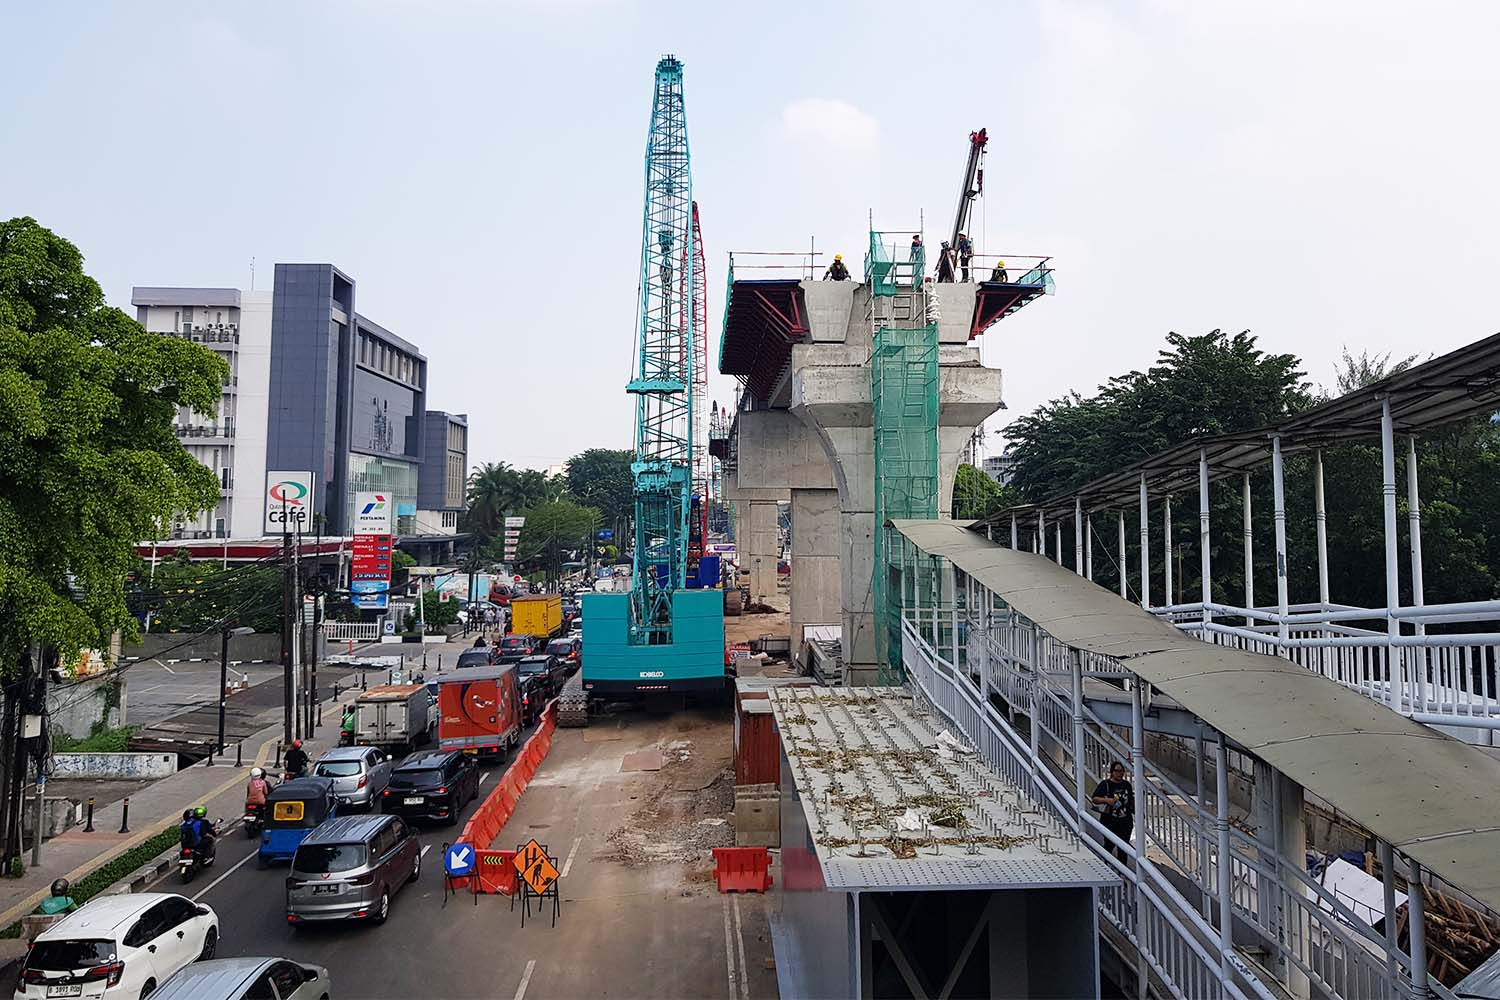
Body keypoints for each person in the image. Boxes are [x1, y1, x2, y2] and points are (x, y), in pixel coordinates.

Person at [1091, 761, 1135, 860]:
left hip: (1125, 821)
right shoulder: (1105, 784)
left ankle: (1123, 872)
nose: (1119, 773)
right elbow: (1095, 798)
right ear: (1112, 772)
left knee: (1124, 848)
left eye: (1121, 771)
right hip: (1109, 820)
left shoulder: (1127, 784)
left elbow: (1130, 799)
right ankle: (1107, 866)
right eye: (1117, 771)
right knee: (1109, 845)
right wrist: (1107, 800)